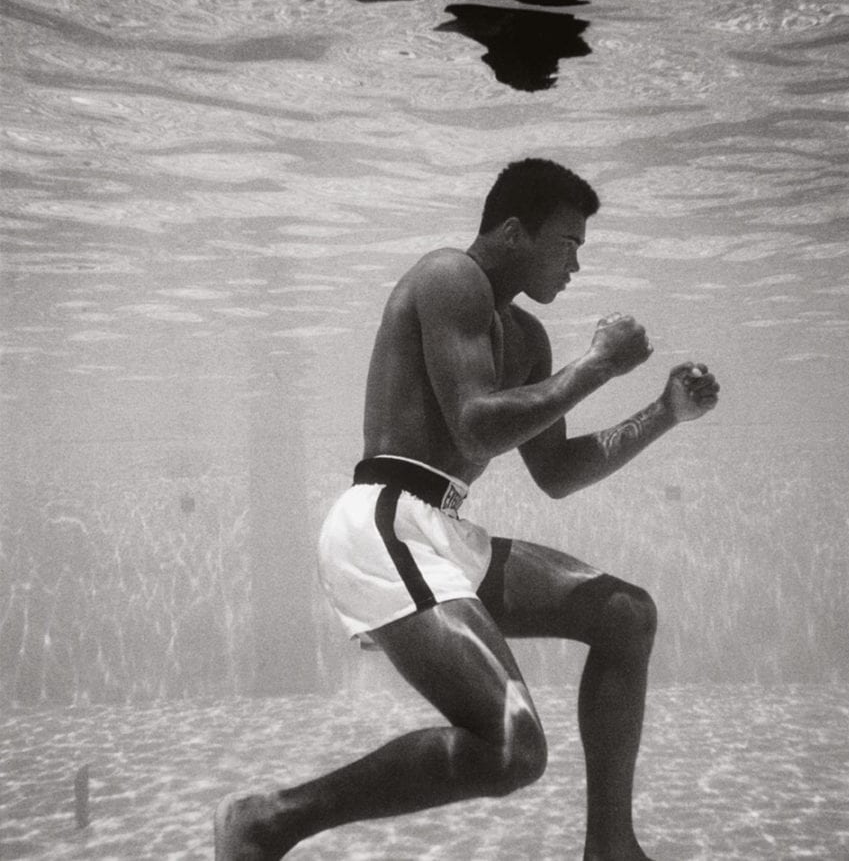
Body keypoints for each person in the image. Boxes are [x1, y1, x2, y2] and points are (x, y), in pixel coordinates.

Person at [215, 158, 720, 861]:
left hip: (441, 529)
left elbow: (558, 473)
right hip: (383, 522)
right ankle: (269, 820)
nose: (576, 264)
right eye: (568, 243)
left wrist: (664, 413)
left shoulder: (529, 339)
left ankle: (611, 849)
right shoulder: (450, 276)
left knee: (625, 615)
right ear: (515, 231)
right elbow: (476, 425)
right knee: (514, 750)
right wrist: (599, 364)